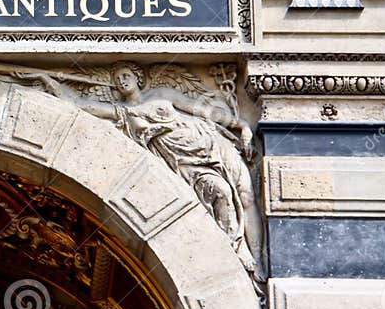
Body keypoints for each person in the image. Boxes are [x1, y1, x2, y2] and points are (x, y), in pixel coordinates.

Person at [41, 61, 262, 279]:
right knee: (220, 191)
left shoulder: (162, 94)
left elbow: (201, 110)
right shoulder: (124, 111)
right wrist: (47, 80)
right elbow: (82, 104)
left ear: (138, 77)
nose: (121, 80)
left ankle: (258, 258)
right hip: (184, 162)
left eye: (125, 75)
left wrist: (239, 125)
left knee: (247, 196)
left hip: (211, 145)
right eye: (117, 79)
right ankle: (235, 248)